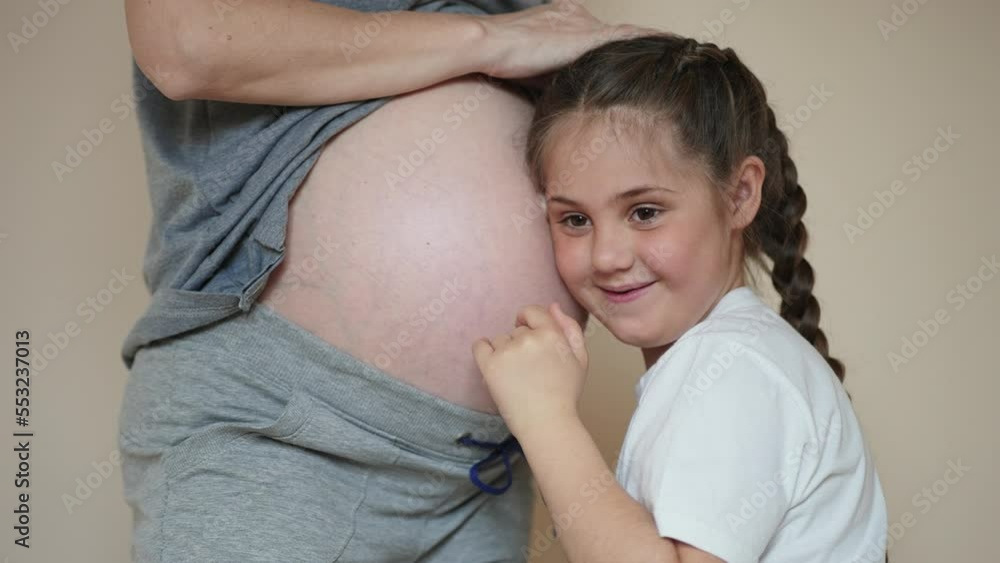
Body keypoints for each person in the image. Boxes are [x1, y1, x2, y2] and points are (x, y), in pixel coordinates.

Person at [116, 0, 657, 561]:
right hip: (278, 426)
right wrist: (494, 39)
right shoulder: (498, 36)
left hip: (485, 461)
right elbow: (186, 42)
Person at [472, 34, 889, 562]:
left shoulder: (732, 366)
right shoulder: (727, 360)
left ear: (739, 195)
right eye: (574, 219)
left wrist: (545, 419)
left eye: (644, 211)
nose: (606, 257)